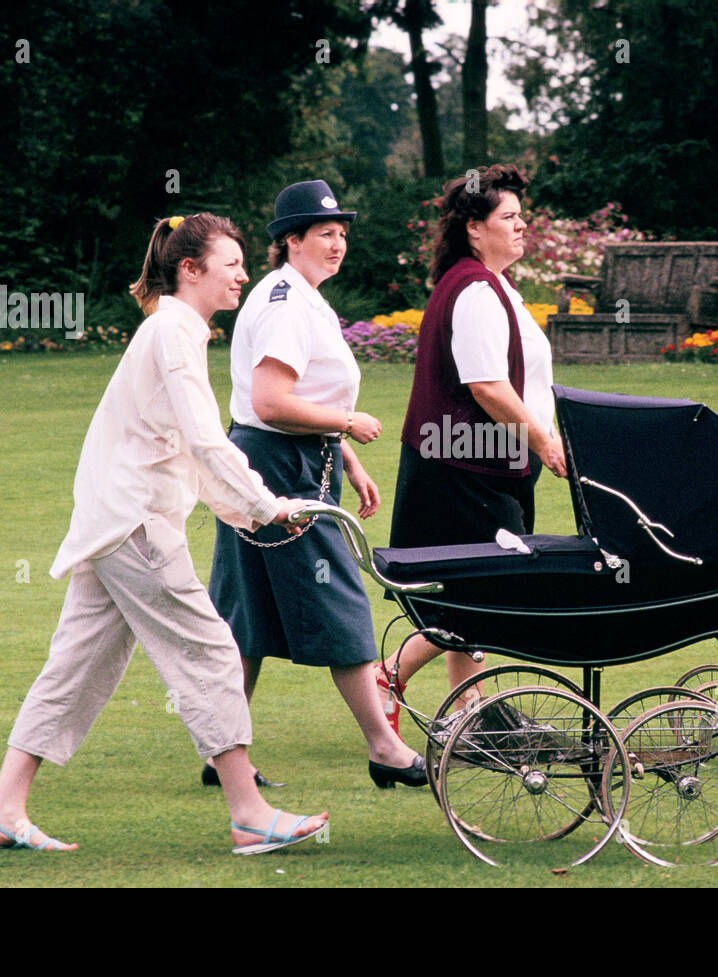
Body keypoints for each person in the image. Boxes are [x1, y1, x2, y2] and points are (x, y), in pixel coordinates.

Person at [0, 213, 328, 856]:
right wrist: (266, 503)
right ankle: (249, 814)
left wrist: (254, 509)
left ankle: (3, 812)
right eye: (231, 265)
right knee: (212, 653)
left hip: (115, 523)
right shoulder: (172, 330)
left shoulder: (173, 331)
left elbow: (193, 453)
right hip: (134, 524)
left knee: (75, 669)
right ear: (190, 270)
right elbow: (205, 439)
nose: (244, 275)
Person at [205, 180, 426, 789]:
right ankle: (385, 748)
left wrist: (345, 457)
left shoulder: (299, 295)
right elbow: (271, 402)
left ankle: (220, 751)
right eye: (324, 233)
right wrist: (348, 425)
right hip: (276, 466)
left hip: (280, 459)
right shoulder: (284, 300)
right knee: (341, 602)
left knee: (247, 616)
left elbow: (294, 399)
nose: (337, 244)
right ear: (290, 241)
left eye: (342, 234)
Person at [377, 164, 567, 728]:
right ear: (474, 229)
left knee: (470, 586)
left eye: (522, 217)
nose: (522, 226)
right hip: (465, 465)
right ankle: (386, 675)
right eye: (509, 217)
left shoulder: (489, 284)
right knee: (490, 588)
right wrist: (546, 443)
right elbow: (487, 386)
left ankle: (472, 710)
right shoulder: (475, 290)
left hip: (479, 461)